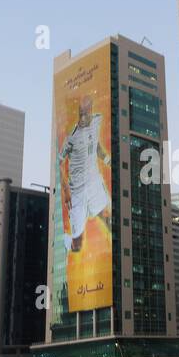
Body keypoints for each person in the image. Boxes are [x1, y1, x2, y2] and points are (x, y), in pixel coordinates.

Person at [58, 94, 111, 253]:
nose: (82, 117)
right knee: (77, 246)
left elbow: (95, 146)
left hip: (94, 181)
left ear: (91, 111)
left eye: (85, 113)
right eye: (80, 113)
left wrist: (108, 161)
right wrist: (66, 189)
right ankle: (64, 239)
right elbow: (58, 163)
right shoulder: (71, 138)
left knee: (108, 218)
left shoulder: (97, 121)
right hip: (77, 192)